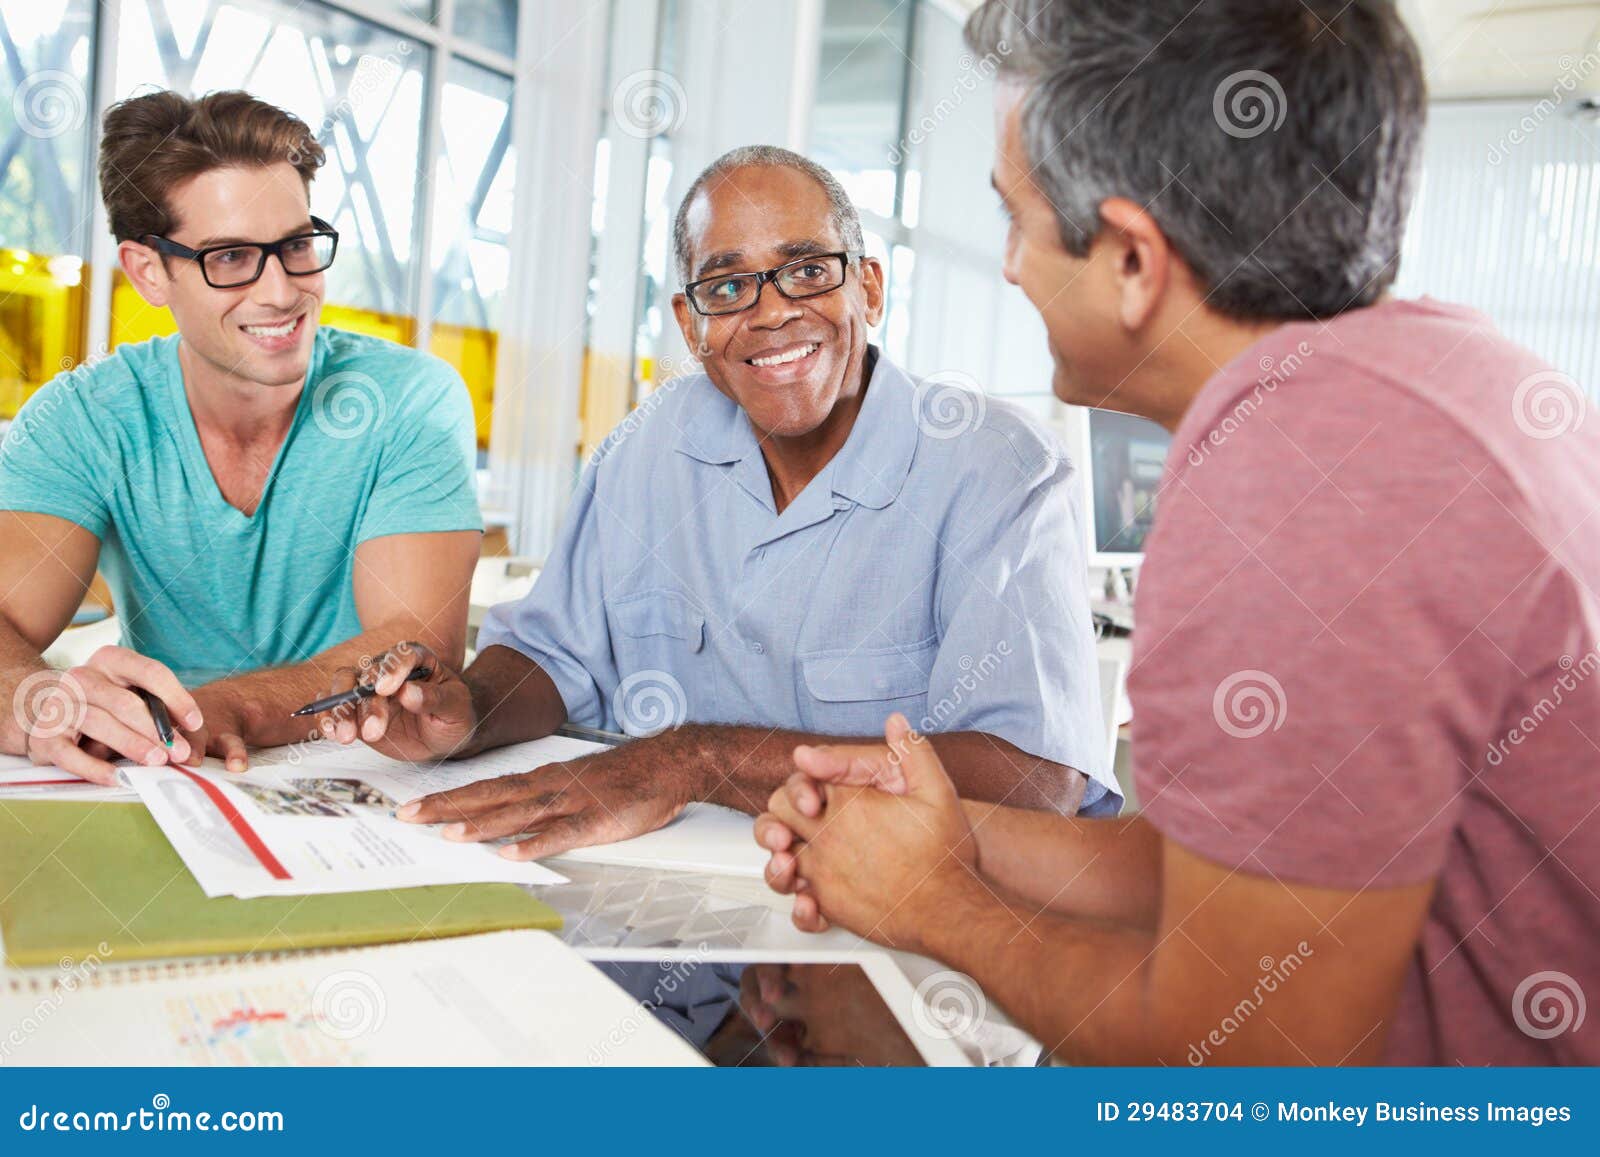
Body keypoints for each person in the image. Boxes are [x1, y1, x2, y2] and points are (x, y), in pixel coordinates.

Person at [756, 0, 1600, 1066]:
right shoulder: (1444, 373)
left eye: (1016, 220)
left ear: (1131, 262)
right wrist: (953, 836)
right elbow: (1224, 872)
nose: (1009, 267)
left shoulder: (1300, 481)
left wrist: (935, 901)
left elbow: (1256, 1053)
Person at [333, 146, 1116, 861]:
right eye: (729, 285)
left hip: (892, 929)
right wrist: (463, 709)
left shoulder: (996, 469)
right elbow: (550, 656)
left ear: (869, 287)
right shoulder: (643, 451)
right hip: (664, 908)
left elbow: (1033, 778)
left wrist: (696, 760)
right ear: (691, 323)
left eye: (808, 270)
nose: (772, 312)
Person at [0, 91, 482, 784]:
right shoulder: (82, 419)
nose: (282, 291)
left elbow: (414, 648)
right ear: (147, 271)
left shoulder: (408, 400)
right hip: (163, 776)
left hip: (362, 775)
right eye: (230, 257)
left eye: (295, 246)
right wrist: (38, 695)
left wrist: (214, 711)